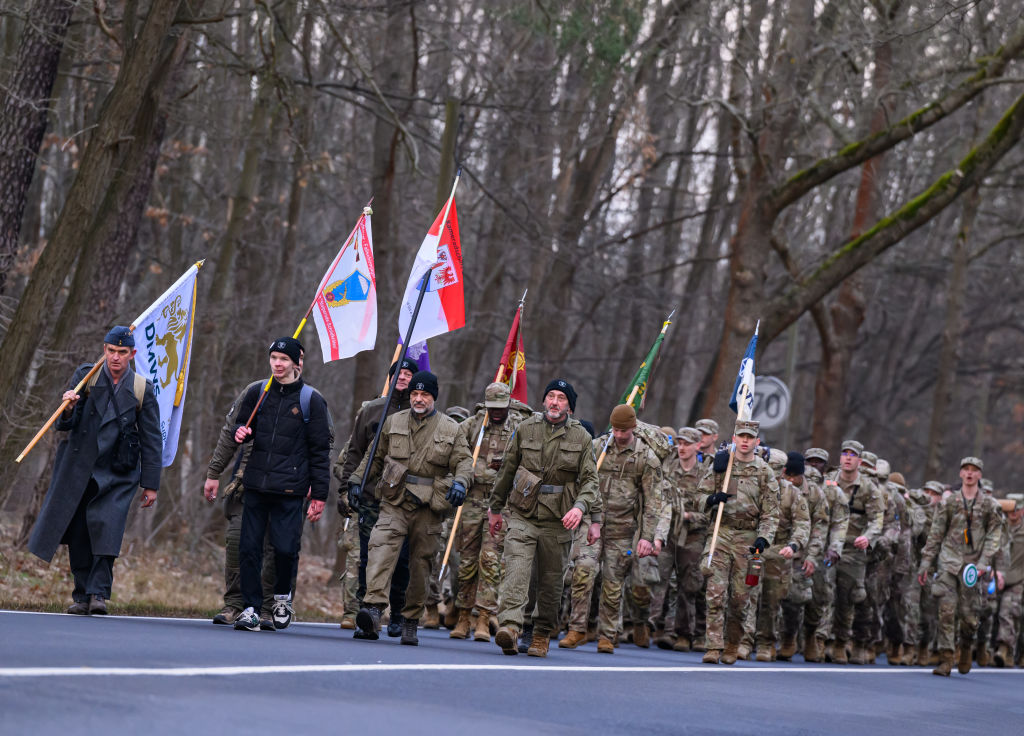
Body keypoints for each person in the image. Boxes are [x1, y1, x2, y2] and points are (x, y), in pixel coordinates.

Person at [29, 326, 162, 615]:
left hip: (118, 472)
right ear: (105, 350)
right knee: (78, 532)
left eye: (122, 352)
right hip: (80, 467)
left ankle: (98, 593)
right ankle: (81, 595)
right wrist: (67, 408)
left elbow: (152, 438)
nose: (115, 357)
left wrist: (151, 484)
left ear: (132, 354)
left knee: (107, 529)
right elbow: (65, 425)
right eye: (111, 351)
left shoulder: (141, 389)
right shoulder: (86, 377)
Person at [349, 370, 473, 645]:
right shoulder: (393, 422)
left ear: (433, 397)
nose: (418, 399)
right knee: (380, 550)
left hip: (429, 506)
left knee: (420, 565)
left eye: (424, 395)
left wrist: (461, 483)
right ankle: (373, 609)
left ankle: (410, 618)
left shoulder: (450, 428)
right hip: (395, 501)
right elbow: (374, 456)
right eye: (414, 394)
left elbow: (464, 462)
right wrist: (357, 480)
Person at [487, 378, 601, 657]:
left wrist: (581, 508)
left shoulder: (582, 438)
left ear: (570, 407)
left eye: (561, 398)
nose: (554, 402)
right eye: (550, 396)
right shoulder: (526, 429)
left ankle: (540, 634)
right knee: (516, 571)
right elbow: (508, 470)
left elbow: (590, 481)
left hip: (559, 520)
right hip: (524, 514)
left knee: (550, 583)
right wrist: (495, 508)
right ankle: (511, 627)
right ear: (543, 401)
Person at [230, 337, 333, 631]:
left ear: (295, 363)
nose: (277, 364)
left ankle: (282, 598)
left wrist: (320, 495)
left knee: (286, 549)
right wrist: (241, 432)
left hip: (291, 488)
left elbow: (319, 450)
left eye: (283, 359)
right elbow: (242, 425)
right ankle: (250, 608)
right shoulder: (257, 392)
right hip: (257, 483)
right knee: (249, 548)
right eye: (274, 357)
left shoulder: (311, 399)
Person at [559, 404, 662, 654]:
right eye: (615, 429)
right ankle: (576, 629)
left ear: (633, 428)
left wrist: (647, 537)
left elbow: (653, 502)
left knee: (613, 582)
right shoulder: (598, 447)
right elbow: (579, 479)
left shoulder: (646, 457)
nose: (618, 435)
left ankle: (607, 634)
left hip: (622, 528)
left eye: (623, 431)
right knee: (583, 572)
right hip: (592, 522)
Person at [333, 357, 417, 637]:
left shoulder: (419, 414)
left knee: (401, 559)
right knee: (369, 557)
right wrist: (346, 488)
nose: (403, 378)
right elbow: (354, 452)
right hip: (370, 496)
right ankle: (367, 615)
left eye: (408, 374)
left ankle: (398, 610)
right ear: (390, 378)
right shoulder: (372, 410)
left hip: (403, 500)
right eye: (398, 374)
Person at [698, 420, 780, 665]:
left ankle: (733, 642)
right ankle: (713, 646)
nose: (745, 441)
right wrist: (712, 498)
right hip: (721, 533)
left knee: (740, 598)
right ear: (734, 439)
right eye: (741, 436)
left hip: (747, 538)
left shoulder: (764, 472)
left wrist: (763, 538)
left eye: (749, 437)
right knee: (715, 592)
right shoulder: (722, 465)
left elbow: (771, 512)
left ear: (756, 442)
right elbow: (698, 497)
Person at [449, 382, 526, 641]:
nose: (495, 412)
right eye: (491, 407)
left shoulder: (518, 429)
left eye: (500, 407)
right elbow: (455, 453)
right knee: (467, 560)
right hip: (472, 500)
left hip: (500, 503)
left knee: (490, 560)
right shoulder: (472, 426)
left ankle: (483, 617)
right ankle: (463, 616)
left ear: (508, 405)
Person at [917, 457, 1001, 676]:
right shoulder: (950, 502)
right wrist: (926, 563)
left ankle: (966, 646)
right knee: (946, 611)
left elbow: (994, 536)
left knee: (969, 617)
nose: (970, 473)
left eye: (974, 470)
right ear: (961, 474)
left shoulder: (990, 505)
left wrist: (984, 562)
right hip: (949, 562)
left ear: (980, 475)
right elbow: (936, 533)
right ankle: (946, 658)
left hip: (974, 567)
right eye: (966, 469)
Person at [826, 440, 884, 664]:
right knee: (823, 592)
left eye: (853, 455)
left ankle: (841, 642)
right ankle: (821, 640)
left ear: (860, 461)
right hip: (828, 545)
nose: (848, 458)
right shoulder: (829, 481)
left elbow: (877, 520)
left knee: (847, 596)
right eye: (845, 453)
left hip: (853, 548)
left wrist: (867, 538)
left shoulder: (869, 488)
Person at [651, 426, 703, 651]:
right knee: (658, 577)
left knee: (688, 585)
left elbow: (710, 511)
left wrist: (690, 516)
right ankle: (658, 626)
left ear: (697, 446)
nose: (682, 448)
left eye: (687, 444)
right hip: (668, 533)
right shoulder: (669, 467)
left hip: (691, 536)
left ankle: (684, 633)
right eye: (680, 443)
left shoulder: (704, 474)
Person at [994, 494, 1024, 667]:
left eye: (1017, 509)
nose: (1013, 513)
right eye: (1010, 509)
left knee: (1008, 611)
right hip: (997, 576)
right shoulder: (998, 527)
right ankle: (994, 650)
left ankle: (1004, 650)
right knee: (992, 612)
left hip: (1018, 579)